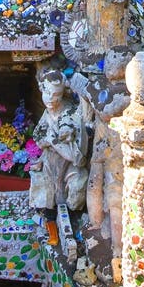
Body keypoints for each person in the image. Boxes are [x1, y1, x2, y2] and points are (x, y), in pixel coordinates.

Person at [29, 65, 88, 246]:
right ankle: (51, 227)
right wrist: (49, 143)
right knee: (48, 194)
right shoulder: (49, 111)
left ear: (63, 94)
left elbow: (77, 157)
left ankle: (73, 227)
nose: (50, 99)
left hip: (70, 168)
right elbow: (38, 137)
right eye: (47, 93)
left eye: (56, 95)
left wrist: (52, 141)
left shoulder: (71, 114)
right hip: (50, 163)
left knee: (75, 188)